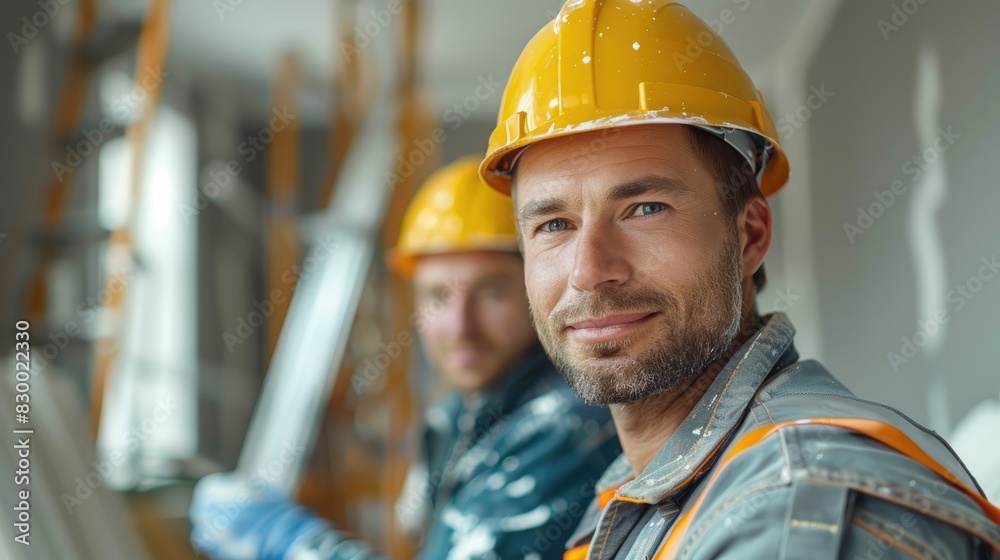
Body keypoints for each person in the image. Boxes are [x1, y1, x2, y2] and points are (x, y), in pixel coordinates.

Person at [477, 1, 1000, 558]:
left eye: (645, 208)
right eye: (554, 224)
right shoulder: (636, 493)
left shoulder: (792, 508)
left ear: (748, 236)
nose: (589, 271)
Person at [188, 155, 621, 560]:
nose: (460, 325)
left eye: (490, 292)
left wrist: (293, 545)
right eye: (437, 296)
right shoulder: (466, 414)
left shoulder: (563, 425)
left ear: (538, 284)